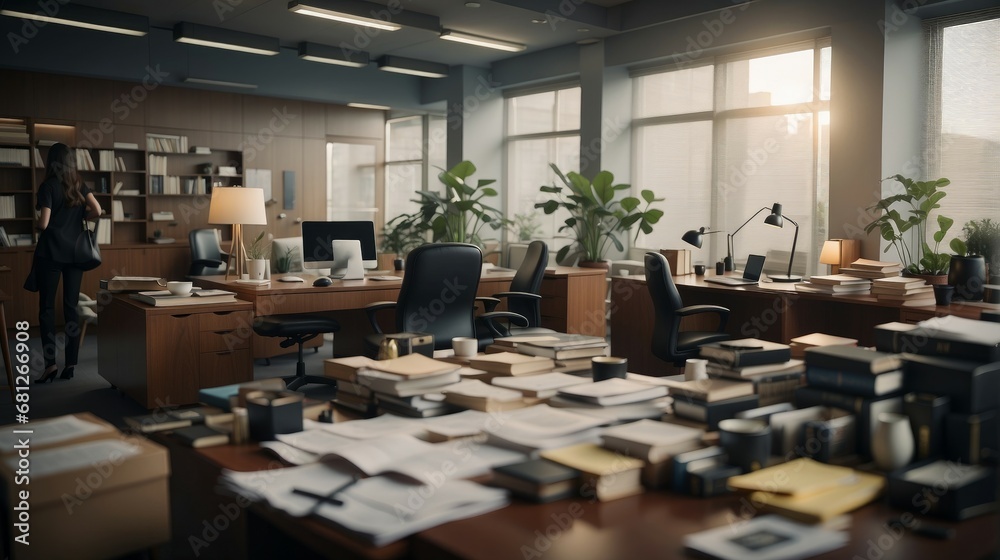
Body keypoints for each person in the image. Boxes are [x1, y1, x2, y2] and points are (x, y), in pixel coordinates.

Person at [32, 143, 102, 383]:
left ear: (51, 162)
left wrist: (37, 224)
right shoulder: (79, 185)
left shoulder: (47, 186)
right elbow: (98, 210)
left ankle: (50, 365)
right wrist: (82, 216)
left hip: (50, 254)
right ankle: (71, 364)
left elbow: (43, 224)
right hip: (75, 255)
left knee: (47, 310)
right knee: (71, 308)